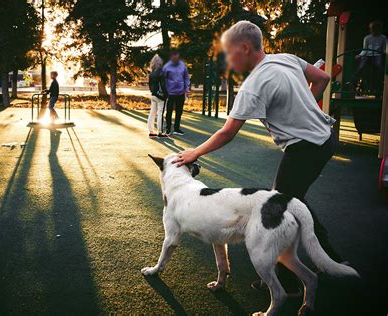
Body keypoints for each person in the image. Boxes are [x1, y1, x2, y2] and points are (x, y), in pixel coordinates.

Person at [172, 21, 343, 295]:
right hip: (326, 138)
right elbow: (322, 78)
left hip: (306, 147)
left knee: (279, 205)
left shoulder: (254, 85)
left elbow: (228, 132)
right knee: (294, 200)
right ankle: (329, 258)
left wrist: (195, 152)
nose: (227, 59)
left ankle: (290, 283)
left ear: (245, 47)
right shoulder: (286, 59)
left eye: (229, 53)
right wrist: (309, 106)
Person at [349, 20, 386, 92]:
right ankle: (352, 81)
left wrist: (383, 52)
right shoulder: (367, 38)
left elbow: (384, 49)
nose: (372, 30)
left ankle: (383, 81)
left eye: (374, 28)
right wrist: (360, 55)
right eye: (371, 28)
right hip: (368, 55)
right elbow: (365, 49)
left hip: (377, 55)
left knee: (379, 66)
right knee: (361, 67)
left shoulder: (383, 38)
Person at [162, 50, 190, 136]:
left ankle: (177, 129)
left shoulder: (182, 66)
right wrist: (165, 90)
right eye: (174, 57)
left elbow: (186, 77)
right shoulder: (166, 67)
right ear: (171, 57)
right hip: (170, 93)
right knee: (169, 111)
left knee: (179, 111)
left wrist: (187, 89)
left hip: (180, 92)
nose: (176, 59)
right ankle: (168, 128)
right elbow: (163, 80)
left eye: (177, 57)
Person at [147, 54, 168, 138]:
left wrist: (153, 92)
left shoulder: (151, 74)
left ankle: (151, 131)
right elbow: (163, 85)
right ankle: (160, 132)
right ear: (160, 63)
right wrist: (166, 95)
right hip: (161, 96)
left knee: (152, 113)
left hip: (153, 95)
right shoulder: (162, 73)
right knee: (160, 113)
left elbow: (150, 85)